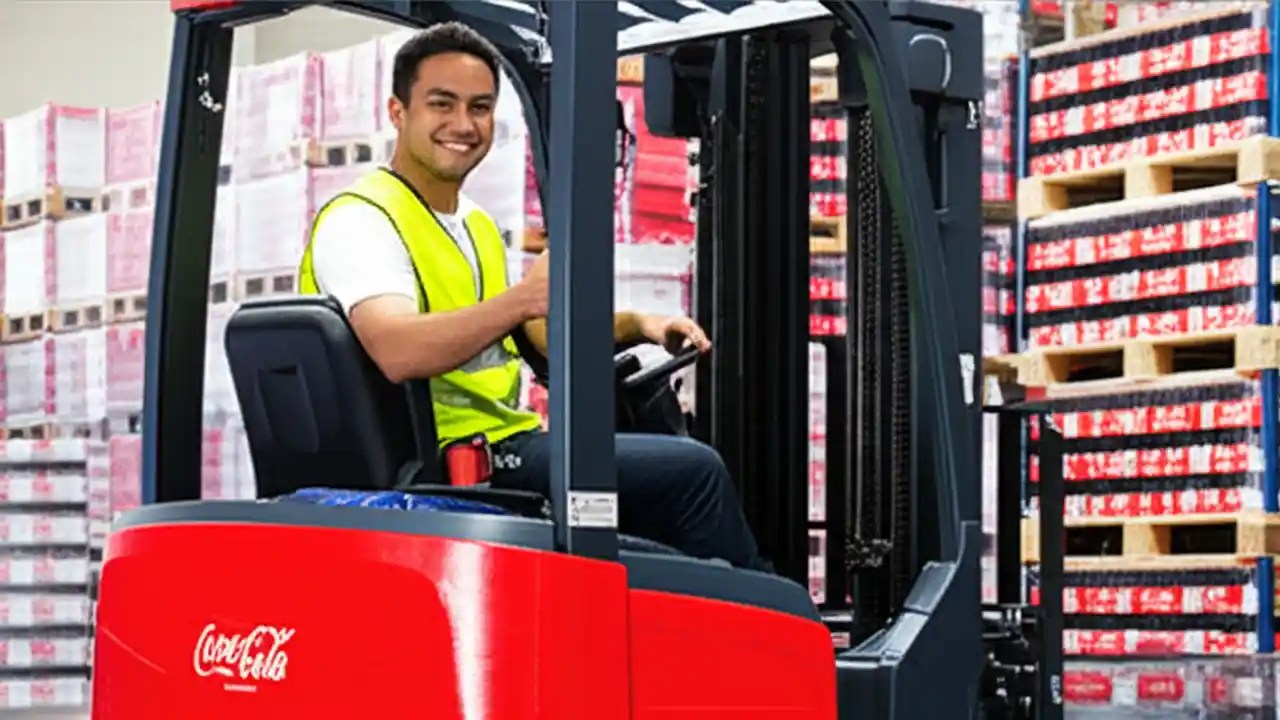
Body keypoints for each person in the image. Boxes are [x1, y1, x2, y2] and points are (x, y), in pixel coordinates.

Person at [296, 22, 770, 572]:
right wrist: (521, 300)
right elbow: (398, 349)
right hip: (458, 462)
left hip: (499, 446)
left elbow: (527, 332)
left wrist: (640, 324)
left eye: (479, 107)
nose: (463, 124)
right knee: (696, 475)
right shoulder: (362, 218)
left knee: (653, 475)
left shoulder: (470, 224)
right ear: (398, 112)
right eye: (441, 105)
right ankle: (776, 639)